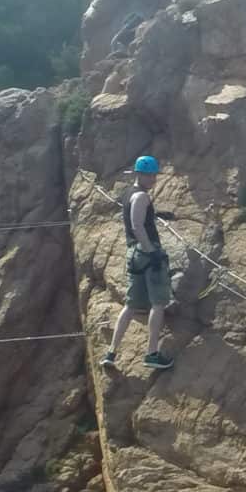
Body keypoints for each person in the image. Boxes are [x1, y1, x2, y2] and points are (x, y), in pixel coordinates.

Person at [104, 155, 175, 372]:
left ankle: (111, 353)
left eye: (154, 175)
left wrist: (156, 215)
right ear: (141, 174)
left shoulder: (128, 193)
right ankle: (152, 353)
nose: (154, 179)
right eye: (151, 175)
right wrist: (152, 251)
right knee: (158, 303)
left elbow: (136, 216)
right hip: (145, 253)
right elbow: (136, 225)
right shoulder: (142, 196)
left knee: (131, 305)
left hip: (132, 254)